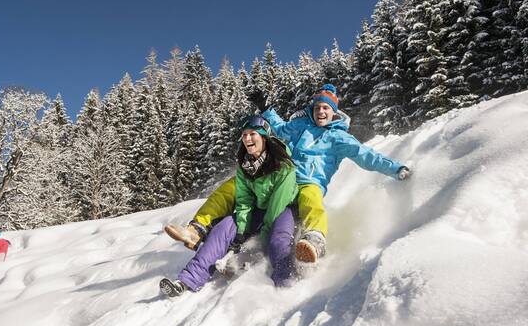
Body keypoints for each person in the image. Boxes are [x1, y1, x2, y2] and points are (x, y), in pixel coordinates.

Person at [166, 83, 410, 266]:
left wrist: (395, 167)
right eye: (317, 107)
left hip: (306, 183)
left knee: (312, 197)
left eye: (326, 108)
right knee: (233, 187)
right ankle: (198, 227)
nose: (321, 112)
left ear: (334, 112)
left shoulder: (339, 138)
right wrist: (265, 108)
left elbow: (367, 156)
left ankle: (314, 239)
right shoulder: (302, 126)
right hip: (280, 177)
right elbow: (280, 130)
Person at [160, 115, 298, 296]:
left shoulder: (283, 165)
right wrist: (240, 232)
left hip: (283, 210)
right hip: (257, 210)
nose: (247, 138)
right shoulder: (245, 165)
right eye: (244, 134)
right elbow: (244, 201)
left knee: (277, 240)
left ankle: (287, 283)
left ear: (264, 137)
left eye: (253, 134)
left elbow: (277, 205)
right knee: (223, 229)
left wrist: (263, 235)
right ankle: (187, 281)